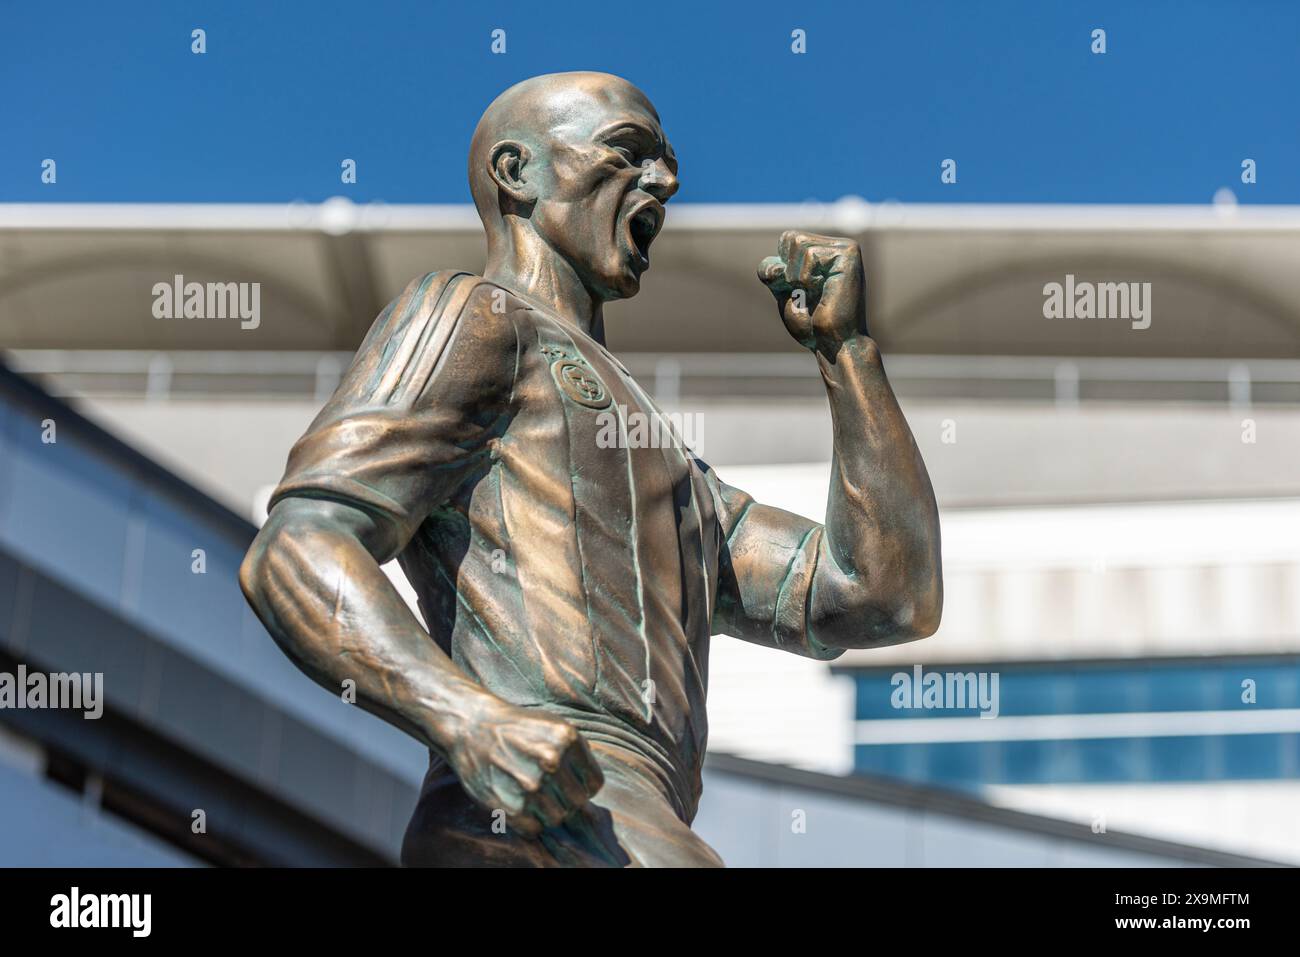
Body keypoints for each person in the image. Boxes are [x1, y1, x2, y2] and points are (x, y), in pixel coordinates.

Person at [240, 71, 942, 867]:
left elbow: (886, 596)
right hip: (525, 828)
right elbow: (297, 545)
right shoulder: (476, 315)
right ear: (518, 173)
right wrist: (468, 718)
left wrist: (847, 356)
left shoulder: (683, 481)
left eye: (667, 161)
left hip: (648, 833)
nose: (667, 182)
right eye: (629, 152)